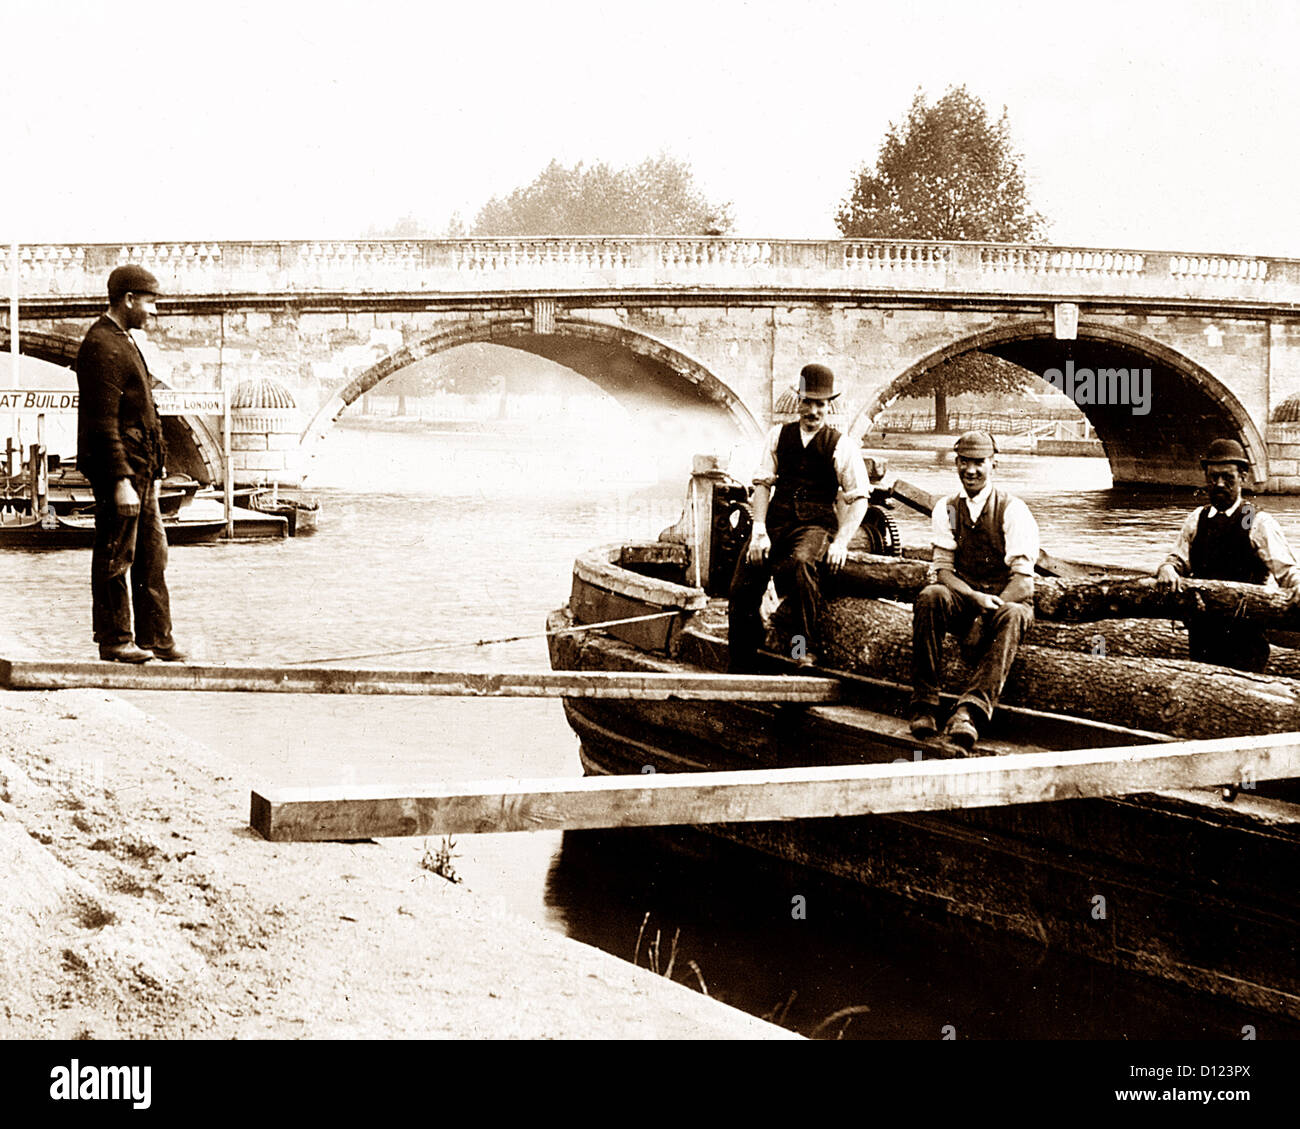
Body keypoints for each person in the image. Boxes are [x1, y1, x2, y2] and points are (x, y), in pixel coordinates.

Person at [75, 265, 185, 664]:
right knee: (115, 554)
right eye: (150, 301)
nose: (153, 311)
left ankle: (156, 639)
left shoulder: (122, 340)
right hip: (121, 473)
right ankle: (116, 640)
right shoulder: (102, 344)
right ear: (128, 300)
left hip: (142, 473)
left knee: (153, 556)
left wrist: (151, 470)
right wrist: (120, 480)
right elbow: (102, 423)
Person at [729, 363, 869, 672]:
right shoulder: (778, 436)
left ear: (828, 406)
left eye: (820, 404)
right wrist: (759, 530)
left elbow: (859, 498)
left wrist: (842, 541)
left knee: (802, 565)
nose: (813, 411)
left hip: (815, 526)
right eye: (808, 402)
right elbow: (763, 485)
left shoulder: (841, 445)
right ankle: (743, 661)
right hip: (777, 523)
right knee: (742, 581)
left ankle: (800, 653)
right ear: (799, 402)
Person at [909, 431, 1039, 749]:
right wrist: (973, 598)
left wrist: (983, 616)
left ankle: (969, 711)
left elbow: (1022, 582)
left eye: (979, 463)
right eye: (964, 462)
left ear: (993, 465)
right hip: (967, 596)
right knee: (930, 596)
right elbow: (942, 571)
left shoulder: (1013, 510)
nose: (971, 471)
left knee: (1014, 615)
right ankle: (925, 704)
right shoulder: (947, 508)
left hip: (1005, 598)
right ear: (956, 463)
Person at [1155, 437, 1300, 672]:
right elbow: (1177, 560)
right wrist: (1168, 569)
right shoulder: (1197, 519)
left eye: (1227, 477)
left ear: (1242, 478)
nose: (1219, 484)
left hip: (1245, 640)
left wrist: (1298, 585)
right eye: (1213, 477)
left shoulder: (1256, 521)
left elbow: (1287, 570)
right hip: (1202, 638)